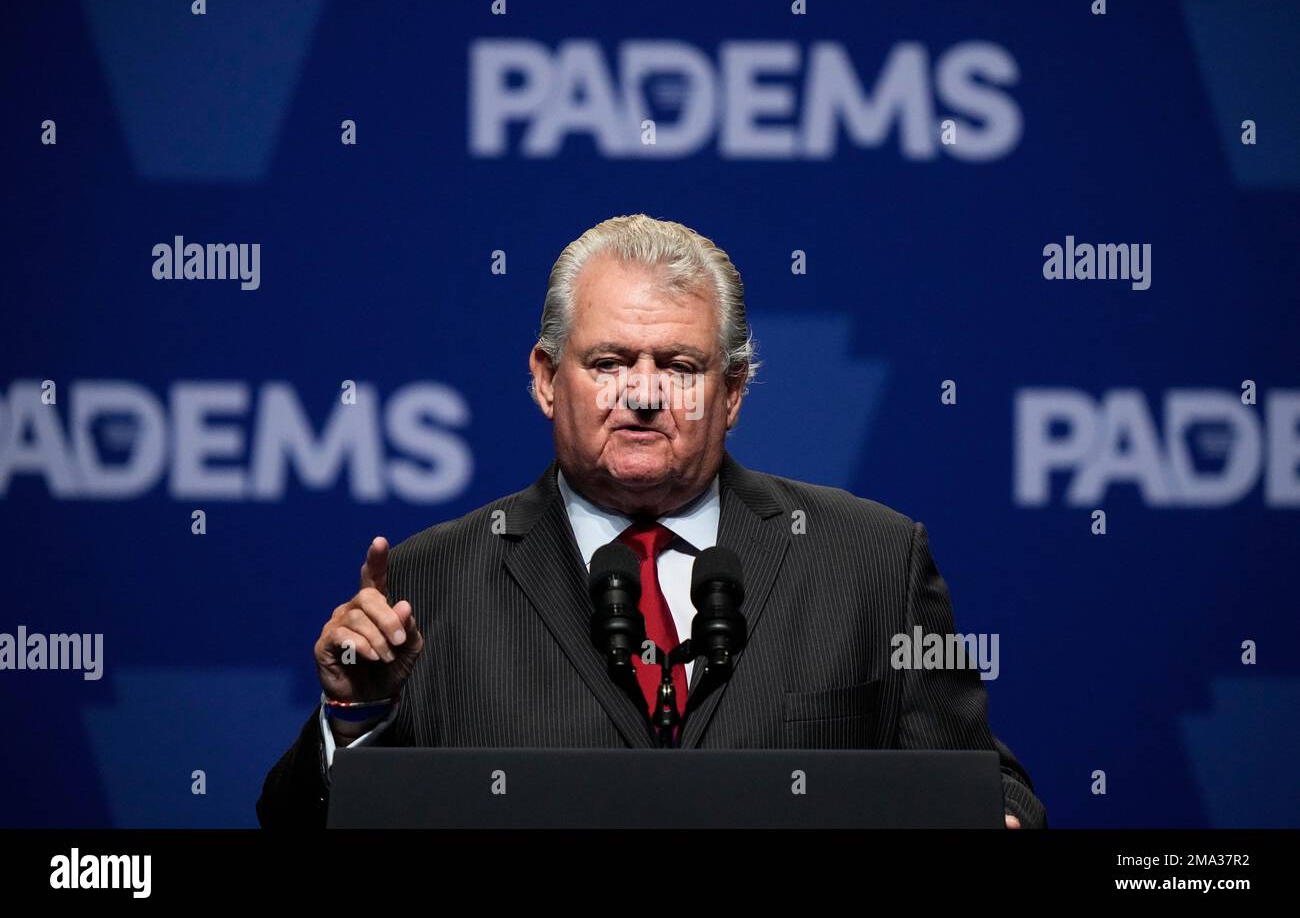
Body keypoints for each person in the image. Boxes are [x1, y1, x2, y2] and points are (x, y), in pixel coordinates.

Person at [256, 213, 1046, 829]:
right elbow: (297, 828)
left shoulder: (874, 561)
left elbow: (987, 784)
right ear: (544, 379)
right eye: (608, 363)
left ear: (733, 392)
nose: (642, 394)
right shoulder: (426, 587)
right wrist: (355, 719)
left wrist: (997, 818)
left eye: (679, 367)